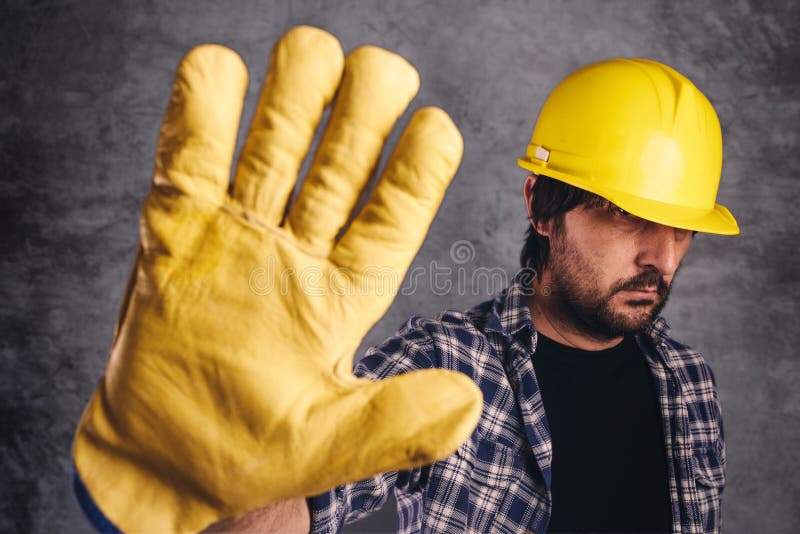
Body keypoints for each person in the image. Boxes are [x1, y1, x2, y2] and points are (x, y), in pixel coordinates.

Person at [72, 27, 734, 534]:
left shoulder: (689, 384)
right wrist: (183, 478)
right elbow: (297, 502)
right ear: (540, 207)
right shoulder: (442, 362)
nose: (664, 258)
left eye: (682, 229)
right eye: (625, 216)